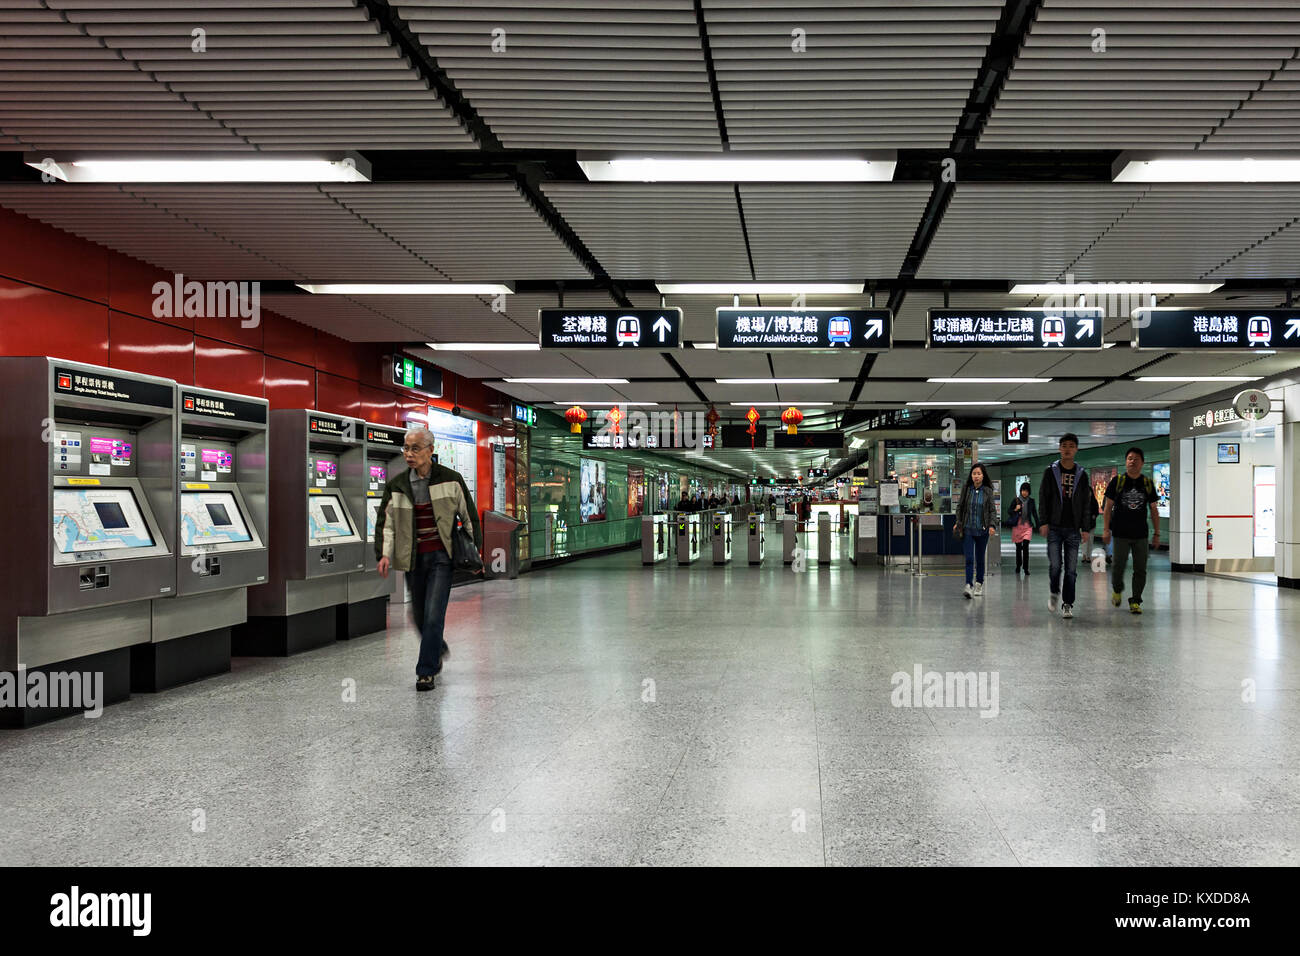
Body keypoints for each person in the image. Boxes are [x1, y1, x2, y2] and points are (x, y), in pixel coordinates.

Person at [375, 426, 482, 691]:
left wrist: (476, 554)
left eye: (415, 448)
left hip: (441, 558)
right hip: (413, 558)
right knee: (419, 615)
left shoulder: (451, 479)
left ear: (430, 451)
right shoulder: (397, 485)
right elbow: (387, 524)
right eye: (406, 448)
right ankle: (437, 647)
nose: (409, 454)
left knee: (434, 615)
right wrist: (384, 554)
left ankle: (425, 671)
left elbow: (469, 517)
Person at [1038, 433, 1091, 619]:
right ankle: (1054, 592)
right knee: (1055, 566)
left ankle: (1067, 603)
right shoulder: (1050, 471)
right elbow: (1043, 498)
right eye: (1064, 445)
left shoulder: (1082, 474)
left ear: (1076, 449)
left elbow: (1086, 502)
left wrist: (1085, 528)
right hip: (1054, 527)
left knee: (1071, 570)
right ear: (1060, 448)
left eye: (1071, 446)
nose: (1067, 449)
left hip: (1073, 529)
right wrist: (1043, 522)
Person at [1103, 447, 1161, 614]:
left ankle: (1135, 601)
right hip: (1120, 533)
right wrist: (1106, 530)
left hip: (1140, 534)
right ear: (1125, 461)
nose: (1132, 461)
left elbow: (1154, 510)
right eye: (1129, 458)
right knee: (1118, 566)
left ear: (1142, 463)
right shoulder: (1117, 481)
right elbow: (1108, 508)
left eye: (1136, 459)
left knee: (1140, 569)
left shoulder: (1147, 483)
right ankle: (1117, 589)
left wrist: (1157, 533)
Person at [955, 462, 997, 598]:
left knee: (980, 559)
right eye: (974, 474)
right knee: (969, 558)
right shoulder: (967, 489)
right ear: (971, 476)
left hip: (982, 530)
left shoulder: (988, 491)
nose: (976, 476)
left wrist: (992, 525)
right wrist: (958, 522)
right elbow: (960, 507)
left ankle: (979, 583)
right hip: (968, 529)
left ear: (983, 476)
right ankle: (969, 584)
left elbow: (992, 510)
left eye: (979, 474)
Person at [1006, 482, 1039, 576]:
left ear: (1029, 492)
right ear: (1020, 491)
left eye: (1026, 491)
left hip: (1027, 527)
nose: (1024, 492)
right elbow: (1009, 511)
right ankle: (1018, 565)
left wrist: (1039, 525)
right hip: (1017, 526)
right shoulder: (1016, 500)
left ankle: (1026, 568)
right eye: (1023, 490)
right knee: (1018, 548)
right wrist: (1015, 509)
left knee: (1025, 547)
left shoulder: (1031, 501)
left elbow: (1035, 514)